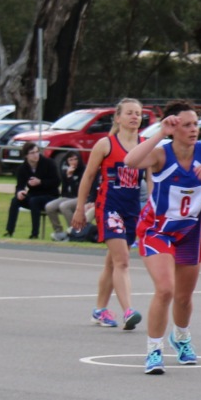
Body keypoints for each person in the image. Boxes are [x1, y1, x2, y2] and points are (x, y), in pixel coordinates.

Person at [123, 100, 201, 374]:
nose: (193, 130)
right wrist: (158, 133)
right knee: (165, 289)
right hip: (157, 231)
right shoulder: (161, 155)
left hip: (190, 233)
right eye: (187, 125)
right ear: (173, 127)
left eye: (196, 125)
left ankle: (181, 338)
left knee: (183, 297)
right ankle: (154, 350)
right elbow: (130, 161)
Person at [72, 98, 145, 331]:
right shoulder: (106, 145)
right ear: (118, 117)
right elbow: (88, 177)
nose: (135, 117)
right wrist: (79, 208)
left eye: (138, 113)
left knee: (112, 262)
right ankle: (128, 311)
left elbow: (153, 181)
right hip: (109, 207)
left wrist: (153, 209)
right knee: (122, 260)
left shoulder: (146, 146)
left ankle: (99, 310)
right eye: (130, 113)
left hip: (132, 210)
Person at [4, 144, 60, 239]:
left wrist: (40, 182)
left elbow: (57, 182)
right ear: (26, 155)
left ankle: (34, 234)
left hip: (50, 196)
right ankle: (9, 231)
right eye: (32, 153)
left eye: (37, 152)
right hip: (33, 195)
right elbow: (19, 186)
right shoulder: (23, 168)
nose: (35, 155)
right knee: (15, 200)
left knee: (34, 201)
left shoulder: (48, 163)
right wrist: (19, 192)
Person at [43, 154, 83, 240]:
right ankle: (58, 231)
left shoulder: (83, 171)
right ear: (67, 162)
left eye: (75, 159)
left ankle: (73, 231)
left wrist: (71, 177)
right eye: (71, 160)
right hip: (68, 197)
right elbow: (64, 191)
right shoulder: (66, 171)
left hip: (81, 198)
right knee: (49, 206)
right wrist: (67, 176)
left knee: (64, 206)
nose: (73, 162)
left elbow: (78, 190)